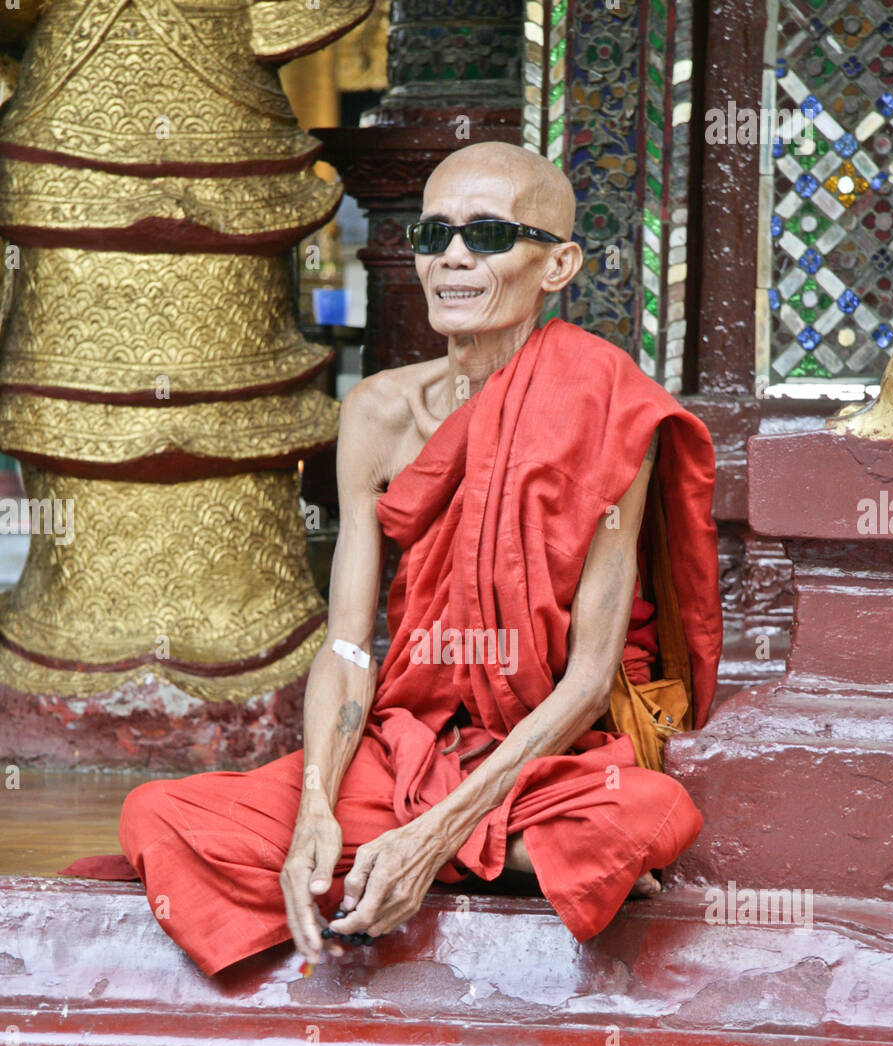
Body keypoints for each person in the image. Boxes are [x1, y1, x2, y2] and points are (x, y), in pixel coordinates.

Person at [101, 141, 721, 976]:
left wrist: (435, 834)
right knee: (158, 813)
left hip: (542, 754)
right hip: (408, 747)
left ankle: (406, 856)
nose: (455, 257)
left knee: (638, 815)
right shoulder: (380, 412)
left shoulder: (608, 408)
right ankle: (448, 856)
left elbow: (588, 678)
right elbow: (349, 647)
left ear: (558, 264)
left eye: (491, 234)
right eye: (435, 236)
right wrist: (316, 806)